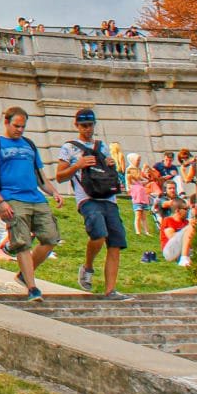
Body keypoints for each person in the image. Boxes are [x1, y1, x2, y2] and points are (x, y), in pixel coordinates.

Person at [0, 105, 64, 301]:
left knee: (50, 238)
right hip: (12, 199)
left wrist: (54, 192)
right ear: (6, 122)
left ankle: (24, 274)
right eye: (16, 125)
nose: (19, 130)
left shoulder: (29, 145)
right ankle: (32, 287)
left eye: (23, 126)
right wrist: (0, 202)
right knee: (22, 242)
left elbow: (40, 176)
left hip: (36, 197)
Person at [57, 107, 132, 300]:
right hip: (87, 199)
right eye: (83, 125)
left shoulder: (102, 146)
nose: (87, 129)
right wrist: (77, 165)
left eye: (90, 125)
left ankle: (110, 290)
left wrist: (109, 164)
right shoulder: (69, 148)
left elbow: (108, 169)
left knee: (115, 243)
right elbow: (59, 176)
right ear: (77, 125)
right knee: (98, 235)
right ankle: (88, 266)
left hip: (108, 198)